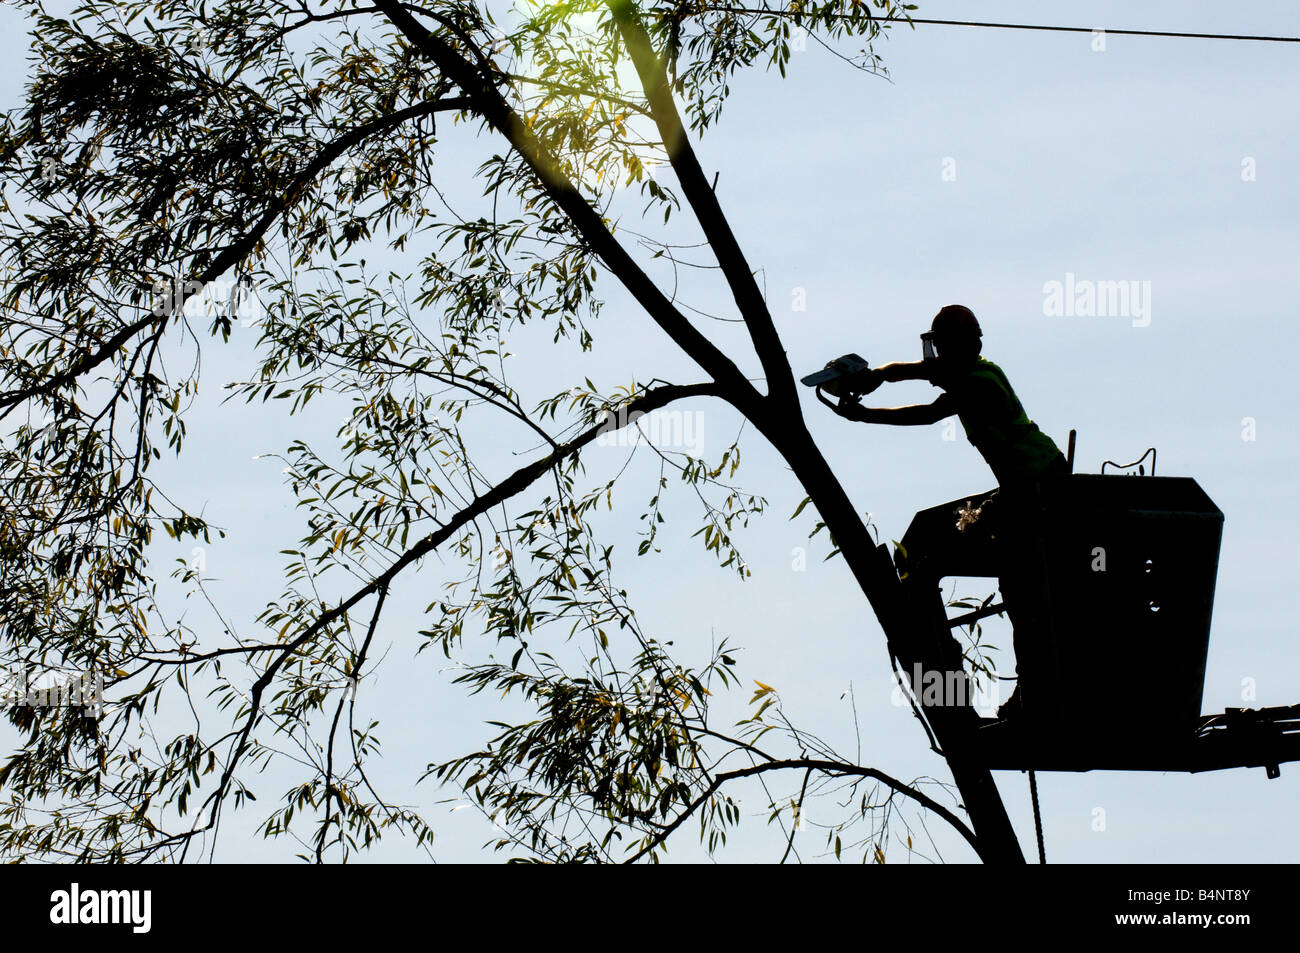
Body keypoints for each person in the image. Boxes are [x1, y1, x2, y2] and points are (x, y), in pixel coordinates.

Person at [824, 305, 1069, 720]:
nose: (934, 359)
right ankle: (967, 672)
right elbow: (916, 371)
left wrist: (865, 415)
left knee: (1023, 591)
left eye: (940, 348)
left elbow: (928, 414)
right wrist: (878, 375)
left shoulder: (978, 383)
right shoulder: (971, 369)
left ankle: (1028, 694)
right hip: (1022, 487)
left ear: (960, 348)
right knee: (928, 537)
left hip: (1037, 489)